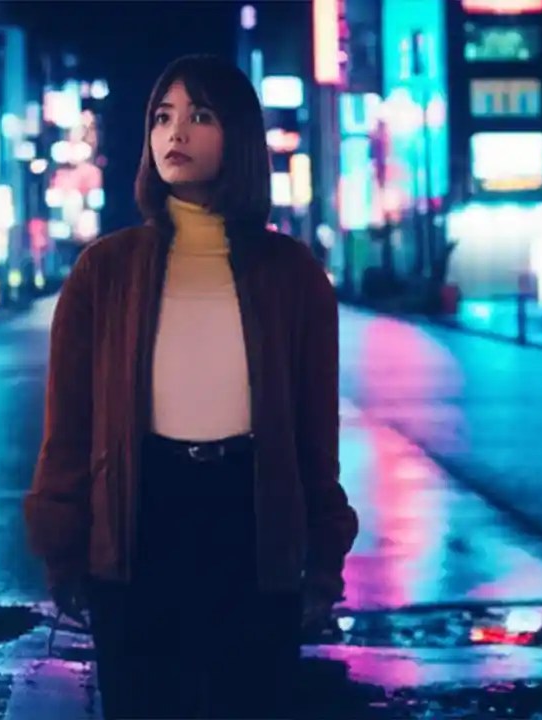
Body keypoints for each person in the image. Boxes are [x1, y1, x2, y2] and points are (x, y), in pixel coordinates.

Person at [24, 54, 359, 720]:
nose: (176, 132)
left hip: (252, 517)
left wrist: (321, 556)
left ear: (236, 135)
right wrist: (63, 548)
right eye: (163, 116)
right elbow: (69, 428)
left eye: (200, 116)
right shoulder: (104, 271)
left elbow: (315, 436)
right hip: (141, 516)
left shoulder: (292, 275)